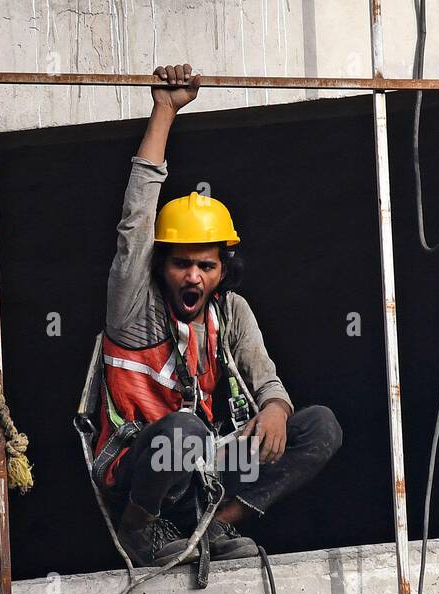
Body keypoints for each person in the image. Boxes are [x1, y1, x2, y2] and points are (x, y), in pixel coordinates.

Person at [92, 63, 342, 567]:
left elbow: (267, 382)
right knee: (185, 431)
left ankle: (217, 525)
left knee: (320, 427)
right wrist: (165, 110)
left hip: (204, 466)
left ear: (221, 269)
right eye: (181, 264)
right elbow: (135, 221)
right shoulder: (133, 310)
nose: (193, 278)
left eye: (205, 266)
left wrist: (276, 409)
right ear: (160, 266)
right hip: (144, 464)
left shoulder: (231, 314)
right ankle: (143, 530)